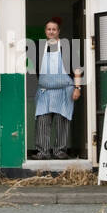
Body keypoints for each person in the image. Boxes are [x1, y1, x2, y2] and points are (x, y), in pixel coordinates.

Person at [34, 17, 81, 159]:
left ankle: (59, 150)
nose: (51, 31)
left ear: (58, 31)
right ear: (45, 31)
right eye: (49, 29)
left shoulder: (67, 47)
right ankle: (43, 152)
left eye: (54, 29)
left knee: (62, 122)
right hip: (44, 91)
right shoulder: (38, 47)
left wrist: (77, 88)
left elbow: (77, 69)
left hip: (64, 91)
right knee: (42, 121)